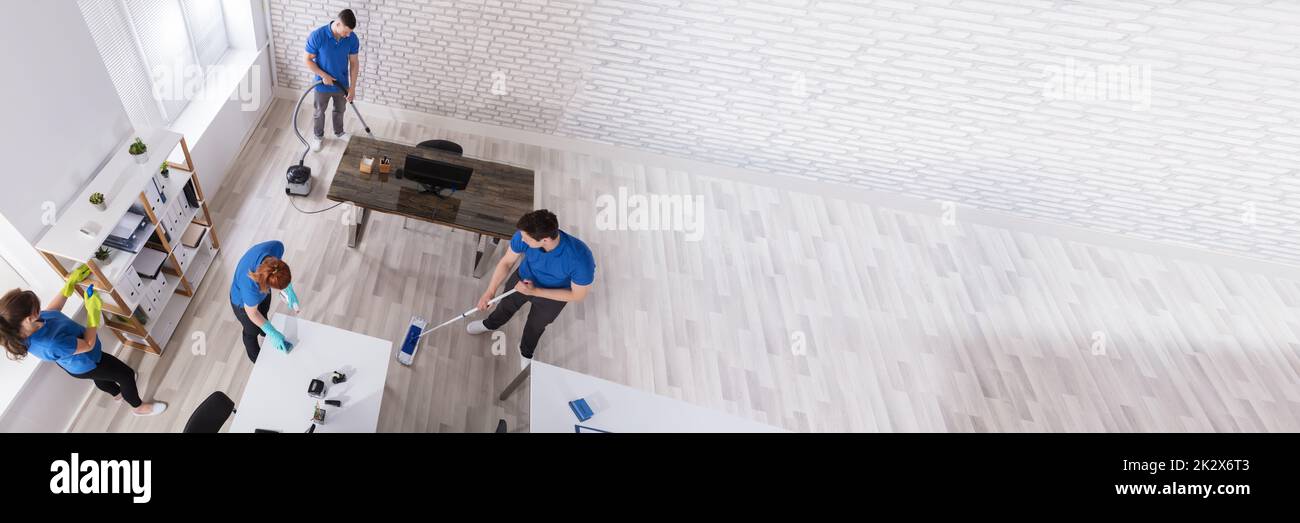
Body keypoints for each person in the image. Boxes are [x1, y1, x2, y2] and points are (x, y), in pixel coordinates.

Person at [0, 266, 166, 416]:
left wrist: (68, 287)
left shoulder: (28, 325)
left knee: (101, 378)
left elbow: (52, 311)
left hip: (78, 363)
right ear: (28, 319)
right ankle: (138, 407)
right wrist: (93, 313)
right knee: (126, 375)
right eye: (36, 308)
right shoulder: (50, 343)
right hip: (87, 361)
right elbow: (88, 345)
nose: (40, 309)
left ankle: (117, 395)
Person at [468, 210, 596, 366]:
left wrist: (535, 291)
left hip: (553, 296)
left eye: (526, 239)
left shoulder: (580, 259)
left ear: (545, 240)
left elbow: (578, 295)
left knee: (536, 326)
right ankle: (489, 324)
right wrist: (490, 291)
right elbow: (507, 262)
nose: (522, 240)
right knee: (505, 307)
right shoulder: (524, 235)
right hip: (522, 281)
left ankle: (526, 352)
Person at [229, 240, 301, 363]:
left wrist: (289, 289)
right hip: (243, 305)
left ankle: (265, 333)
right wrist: (272, 332)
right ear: (267, 284)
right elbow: (252, 313)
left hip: (261, 293)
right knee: (251, 331)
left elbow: (279, 272)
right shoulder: (249, 286)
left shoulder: (276, 248)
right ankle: (258, 362)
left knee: (264, 312)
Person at [304, 8, 361, 152]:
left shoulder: (352, 38)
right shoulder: (318, 36)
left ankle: (339, 132)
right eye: (346, 31)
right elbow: (308, 60)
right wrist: (323, 75)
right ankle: (318, 137)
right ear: (338, 24)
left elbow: (354, 63)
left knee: (340, 110)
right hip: (322, 85)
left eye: (350, 32)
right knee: (319, 111)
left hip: (342, 85)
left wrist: (352, 87)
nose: (348, 34)